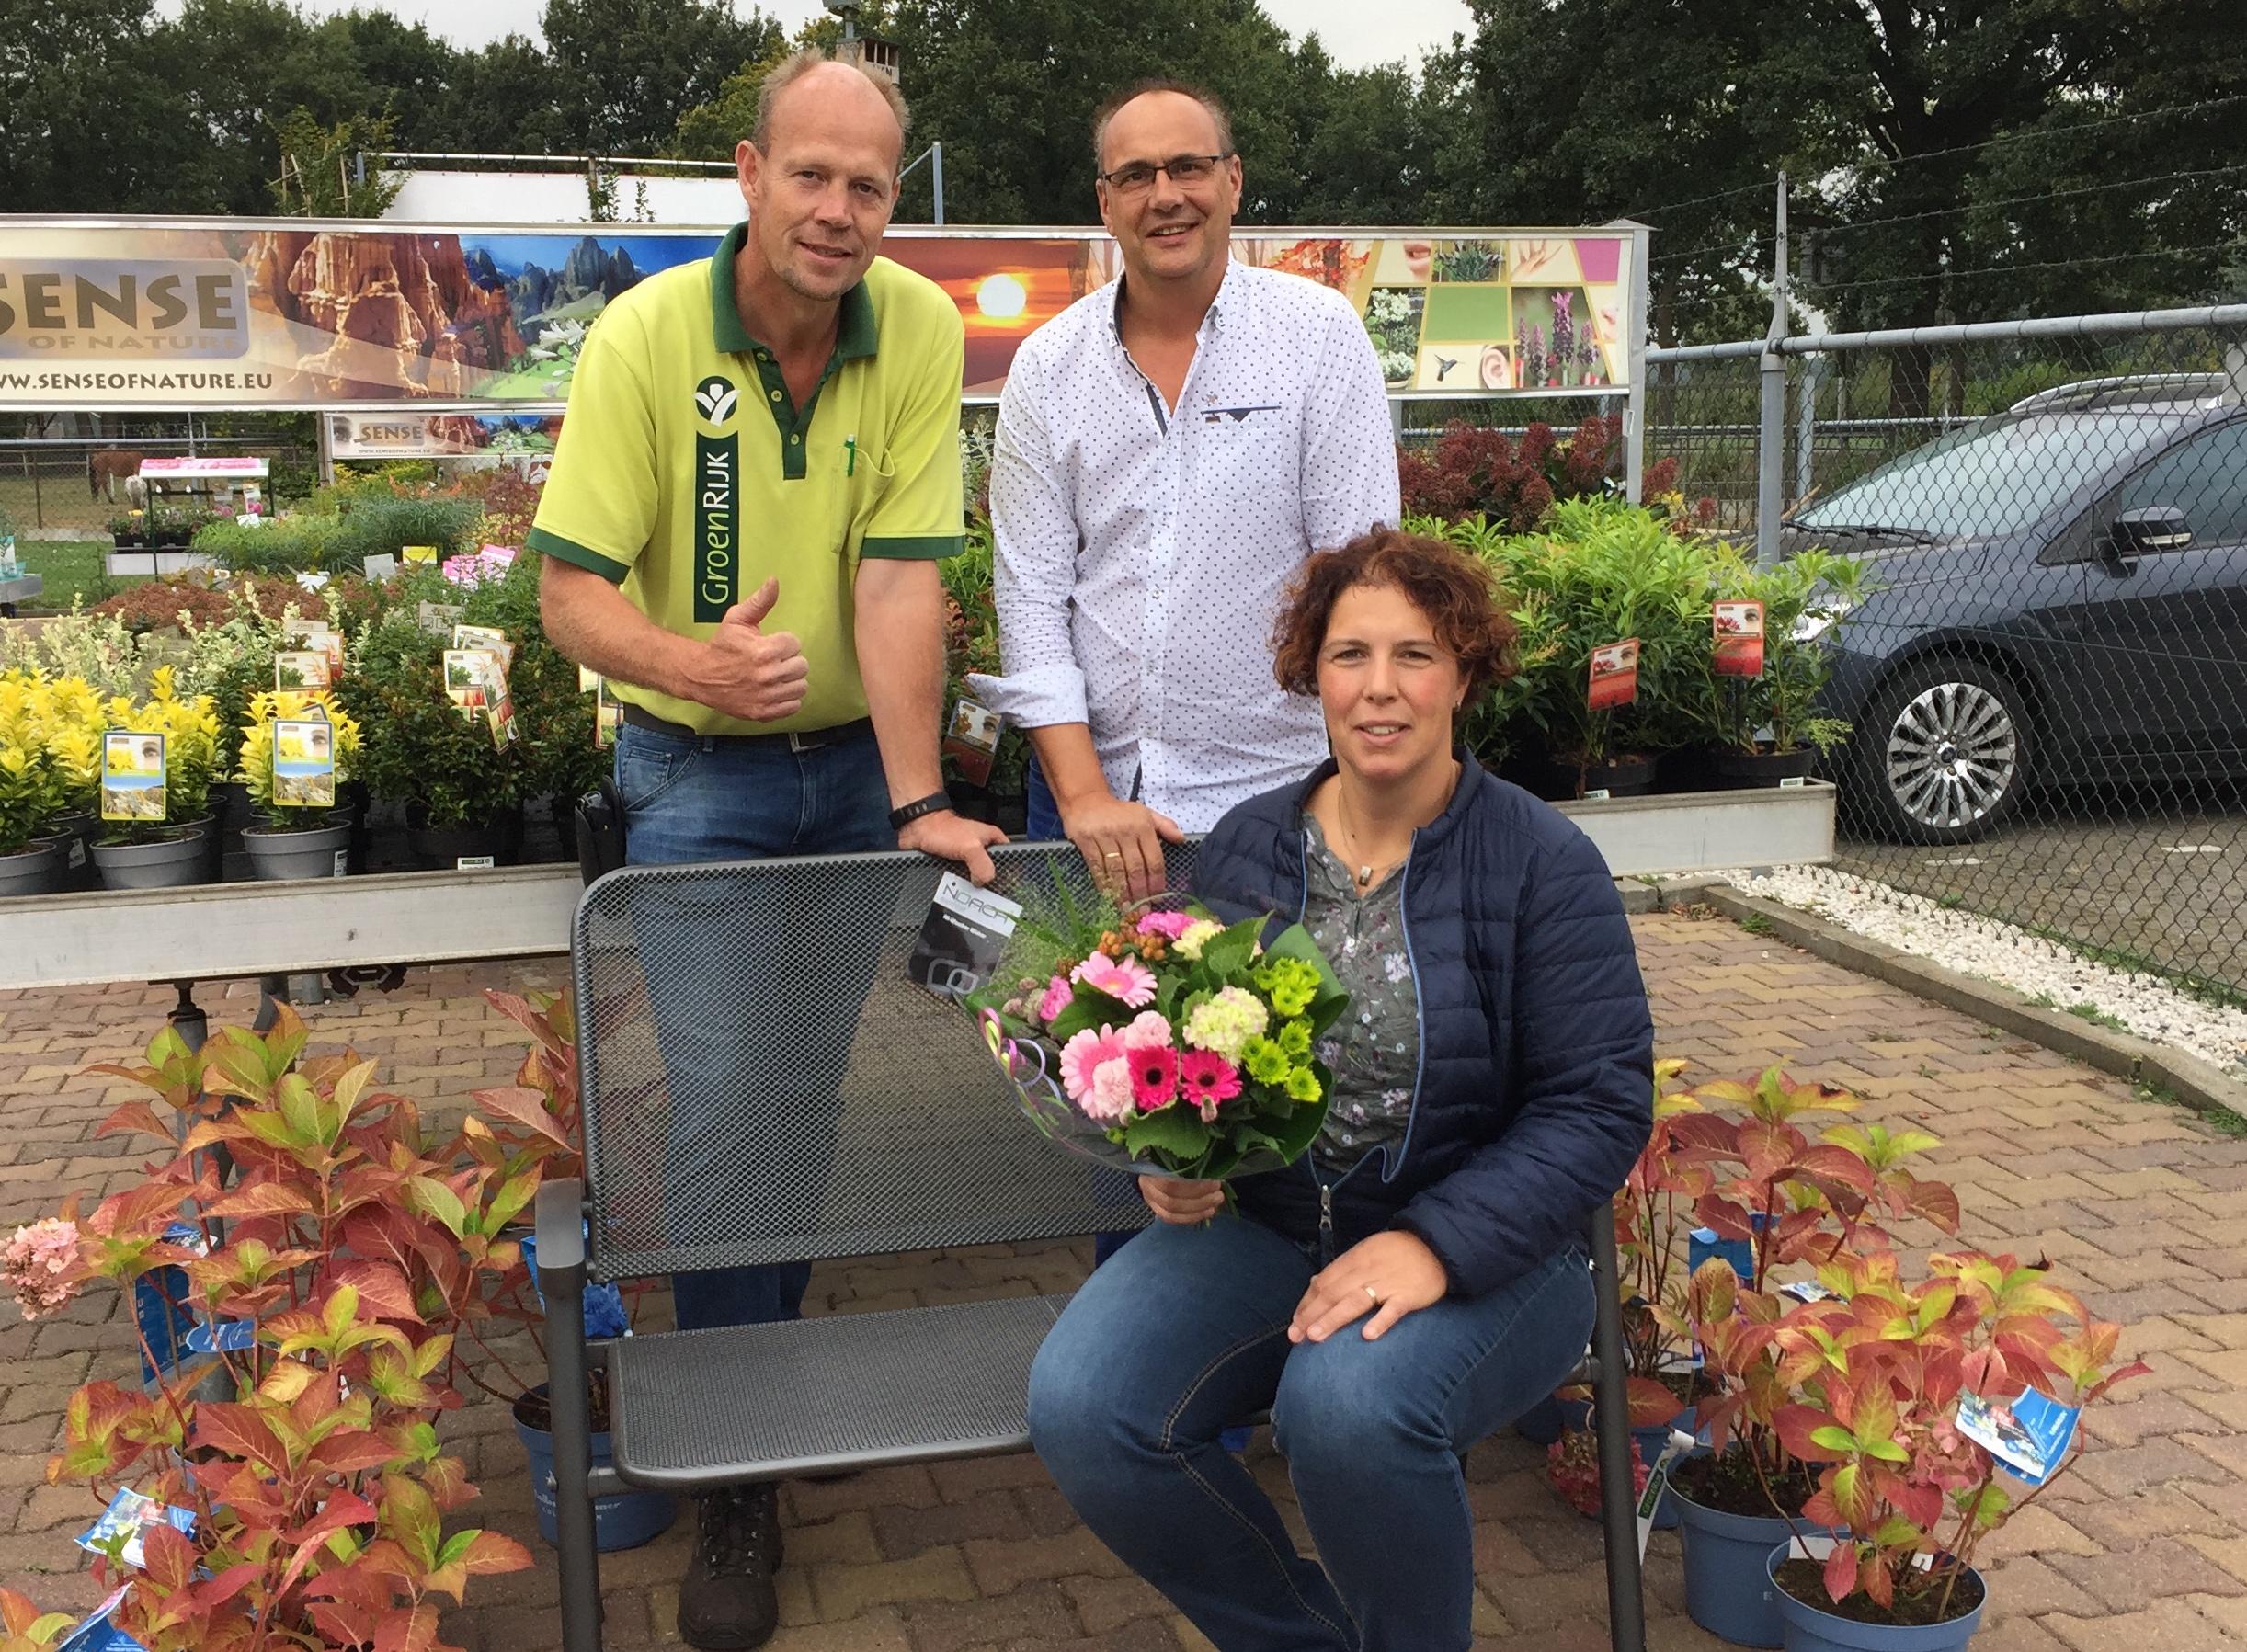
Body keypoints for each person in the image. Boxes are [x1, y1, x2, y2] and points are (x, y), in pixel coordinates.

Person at [529, 51, 1004, 1652]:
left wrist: (921, 794)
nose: (839, 211)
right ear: (748, 173)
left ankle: (762, 1375)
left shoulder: (917, 329)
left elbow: (896, 585)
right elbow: (569, 592)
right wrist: (691, 663)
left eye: (868, 185)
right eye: (811, 175)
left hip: (851, 784)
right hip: (702, 774)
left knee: (803, 1092)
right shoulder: (649, 337)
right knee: (731, 1098)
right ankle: (738, 1459)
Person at [1025, 528, 1655, 1652]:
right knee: (1085, 1406)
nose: (1379, 690)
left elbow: (1597, 1104)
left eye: (1413, 656)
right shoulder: (1251, 845)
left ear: (1462, 674)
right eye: (1348, 655)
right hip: (1272, 1225)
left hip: (1492, 1256)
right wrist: (1171, 1158)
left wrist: (1432, 1247)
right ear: (1310, 674)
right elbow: (1193, 1050)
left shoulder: (1539, 862)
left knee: (1346, 1412)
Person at [969, 77, 1400, 900]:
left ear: (1232, 181)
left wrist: (1363, 792)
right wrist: (1085, 797)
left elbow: (1365, 585)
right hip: (1095, 817)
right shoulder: (1049, 368)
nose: (1165, 196)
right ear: (1105, 201)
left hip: (1283, 804)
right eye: (1136, 175)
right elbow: (1031, 599)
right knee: (1095, 1032)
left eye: (1187, 168)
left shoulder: (1317, 338)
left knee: (1278, 1029)